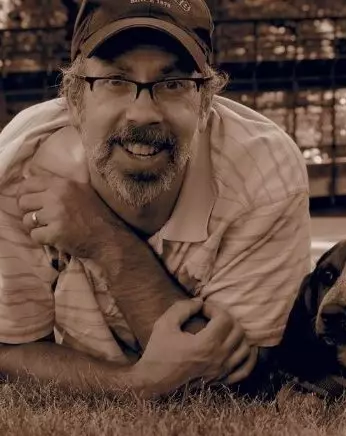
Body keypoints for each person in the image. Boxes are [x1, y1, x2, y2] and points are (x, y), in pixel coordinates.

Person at [0, 0, 311, 398]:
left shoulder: (265, 175)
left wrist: (103, 240)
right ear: (74, 100)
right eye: (115, 80)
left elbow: (233, 382)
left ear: (205, 104)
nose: (142, 113)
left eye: (173, 83)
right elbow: (9, 347)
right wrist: (131, 385)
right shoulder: (20, 167)